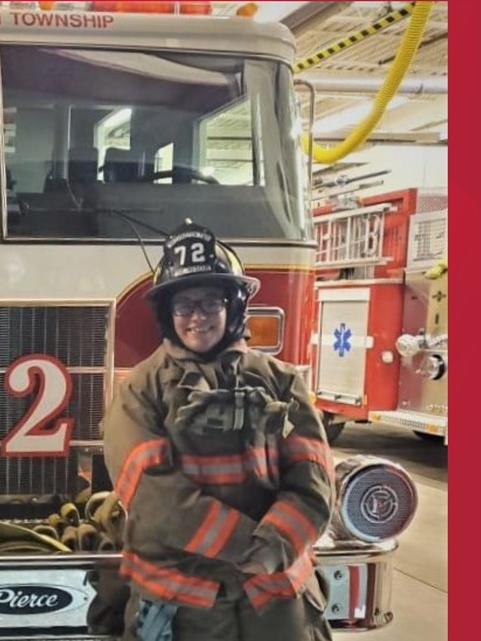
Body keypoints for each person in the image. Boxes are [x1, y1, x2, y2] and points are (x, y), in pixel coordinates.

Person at [101, 222, 335, 641]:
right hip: (186, 612)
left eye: (210, 303)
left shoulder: (281, 381)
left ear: (233, 307)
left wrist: (275, 545)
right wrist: (247, 547)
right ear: (167, 316)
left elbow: (314, 480)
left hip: (276, 604)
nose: (197, 317)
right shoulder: (140, 389)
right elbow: (152, 494)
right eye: (184, 305)